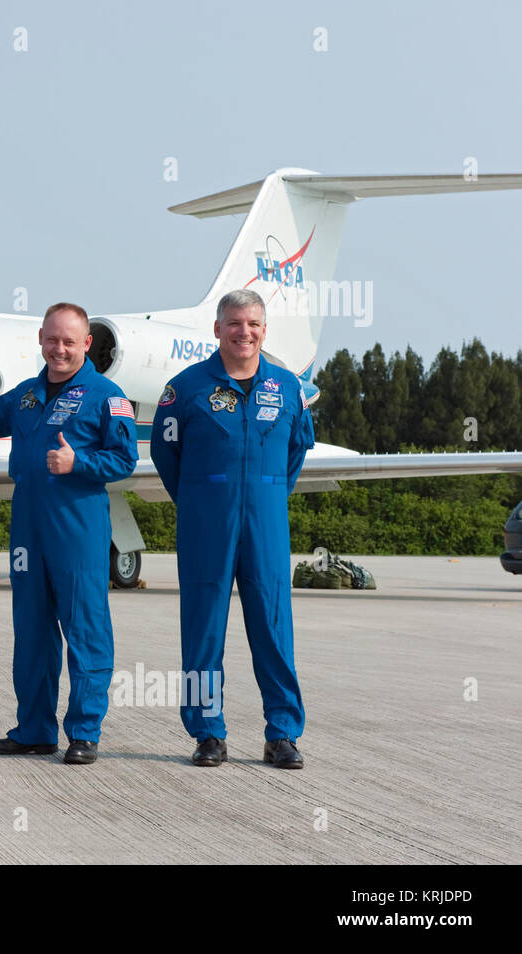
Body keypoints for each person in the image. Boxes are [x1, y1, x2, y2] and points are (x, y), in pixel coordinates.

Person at [150, 288, 314, 769]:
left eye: (254, 324)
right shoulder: (185, 391)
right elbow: (165, 454)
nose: (245, 332)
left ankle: (282, 733)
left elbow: (296, 452)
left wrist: (265, 496)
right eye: (235, 323)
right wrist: (202, 499)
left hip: (266, 526)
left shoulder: (288, 390)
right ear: (217, 329)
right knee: (203, 630)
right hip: (206, 525)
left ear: (264, 331)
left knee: (273, 628)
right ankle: (207, 733)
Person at [0, 303, 138, 765]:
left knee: (84, 627)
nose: (59, 349)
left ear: (86, 344)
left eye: (69, 341)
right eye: (52, 339)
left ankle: (84, 732)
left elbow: (124, 460)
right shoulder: (26, 396)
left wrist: (79, 463)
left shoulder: (108, 397)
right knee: (30, 630)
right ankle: (34, 729)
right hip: (28, 525)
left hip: (78, 525)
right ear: (41, 340)